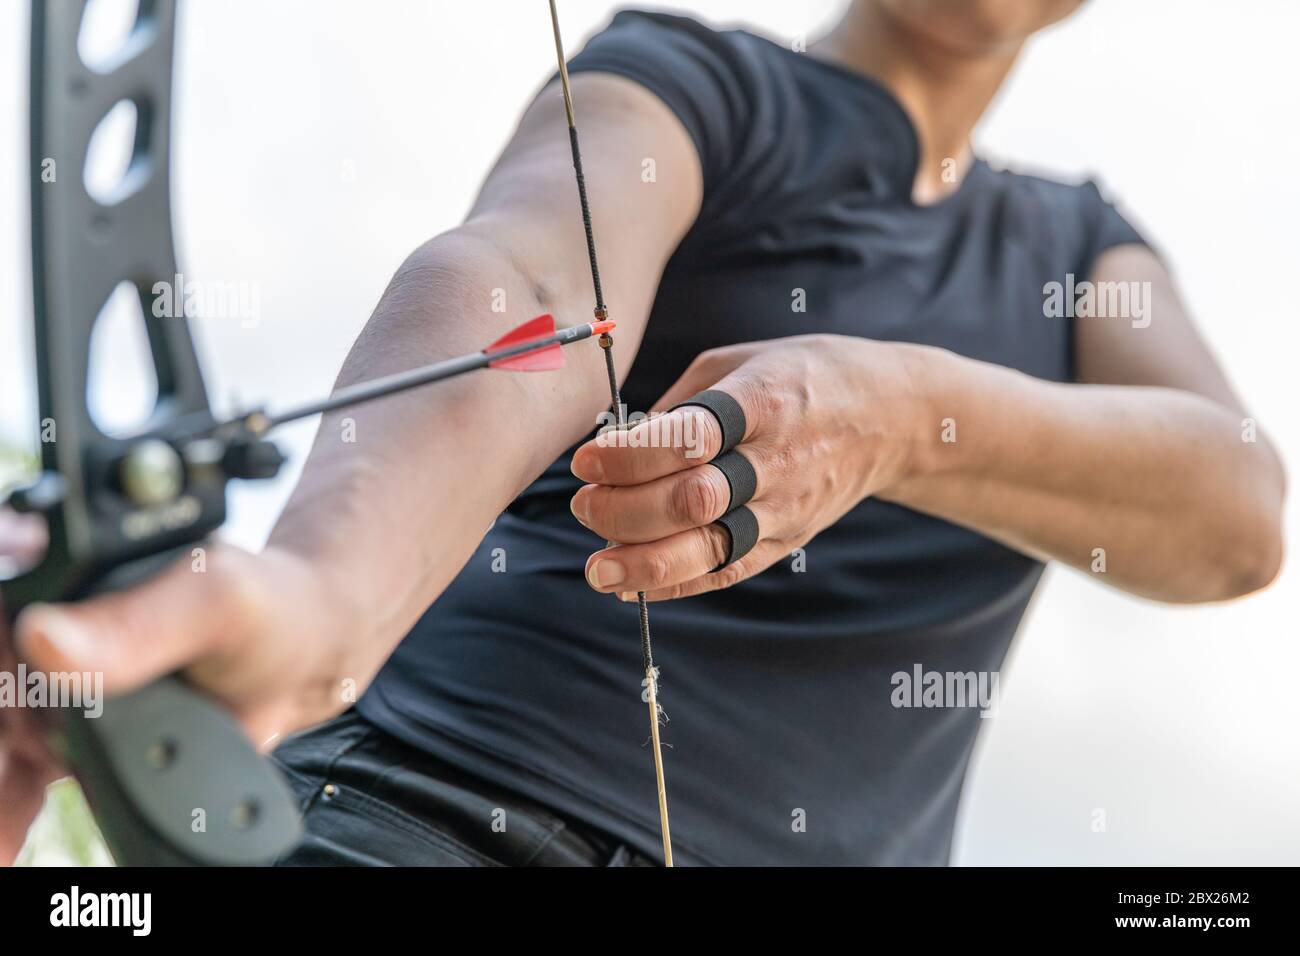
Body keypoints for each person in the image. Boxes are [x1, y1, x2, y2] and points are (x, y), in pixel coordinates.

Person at [1, 1, 1285, 866]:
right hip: (425, 817)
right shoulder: (689, 80)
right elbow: (528, 282)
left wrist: (897, 413)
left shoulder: (1076, 242)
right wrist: (320, 594)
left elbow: (1235, 508)